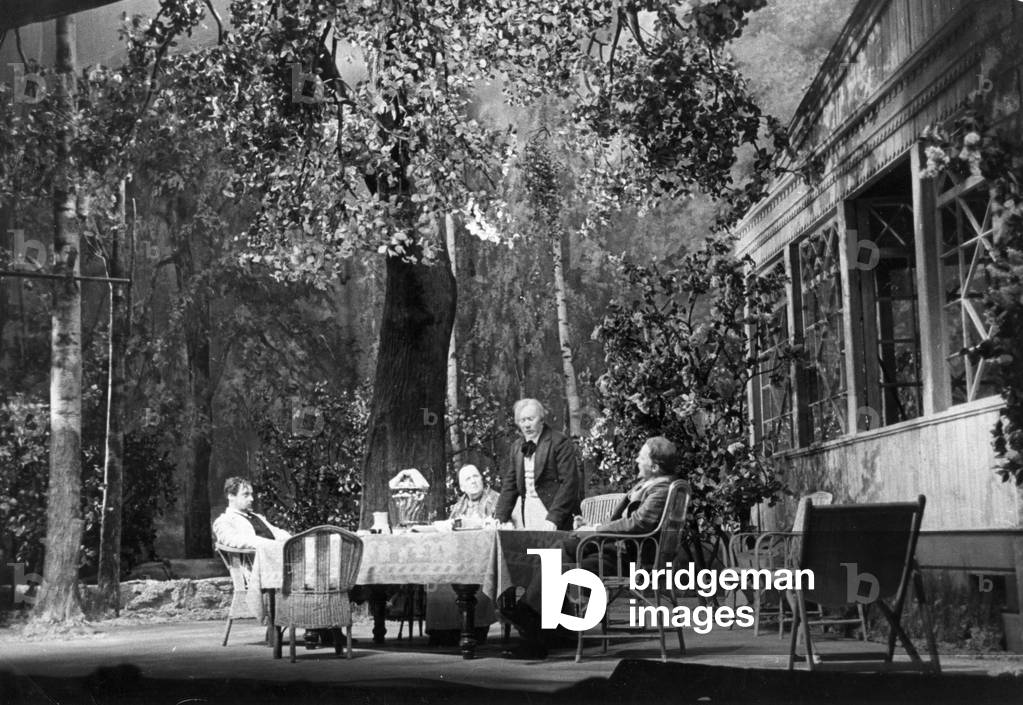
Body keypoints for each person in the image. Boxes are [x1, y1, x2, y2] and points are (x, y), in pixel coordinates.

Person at [502, 436, 681, 660]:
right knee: (561, 558)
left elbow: (639, 524)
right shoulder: (649, 486)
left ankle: (531, 619)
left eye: (641, 457)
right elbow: (626, 520)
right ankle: (540, 631)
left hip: (630, 560)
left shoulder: (661, 489)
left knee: (561, 557)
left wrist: (597, 529)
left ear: (654, 466)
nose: (636, 459)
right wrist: (588, 527)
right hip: (617, 552)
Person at [425, 464, 500, 645]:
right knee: (438, 580)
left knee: (472, 577)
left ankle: (476, 628)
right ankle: (442, 631)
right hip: (459, 555)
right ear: (461, 487)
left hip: (485, 556)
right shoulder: (460, 504)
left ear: (482, 480)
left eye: (476, 476)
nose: (473, 481)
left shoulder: (496, 499)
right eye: (468, 479)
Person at [495, 399, 582, 531]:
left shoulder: (559, 442)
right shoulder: (517, 447)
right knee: (531, 549)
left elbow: (569, 483)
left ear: (541, 420)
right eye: (522, 420)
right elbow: (510, 485)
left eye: (530, 419)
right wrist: (499, 517)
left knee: (548, 551)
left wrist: (554, 518)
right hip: (529, 511)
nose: (526, 425)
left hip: (555, 511)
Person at [212, 477, 291, 550]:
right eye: (246, 495)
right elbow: (235, 540)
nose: (252, 499)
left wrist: (291, 541)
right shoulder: (224, 521)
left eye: (251, 494)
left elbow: (276, 532)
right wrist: (274, 545)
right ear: (231, 496)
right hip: (255, 562)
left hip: (277, 556)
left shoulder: (256, 516)